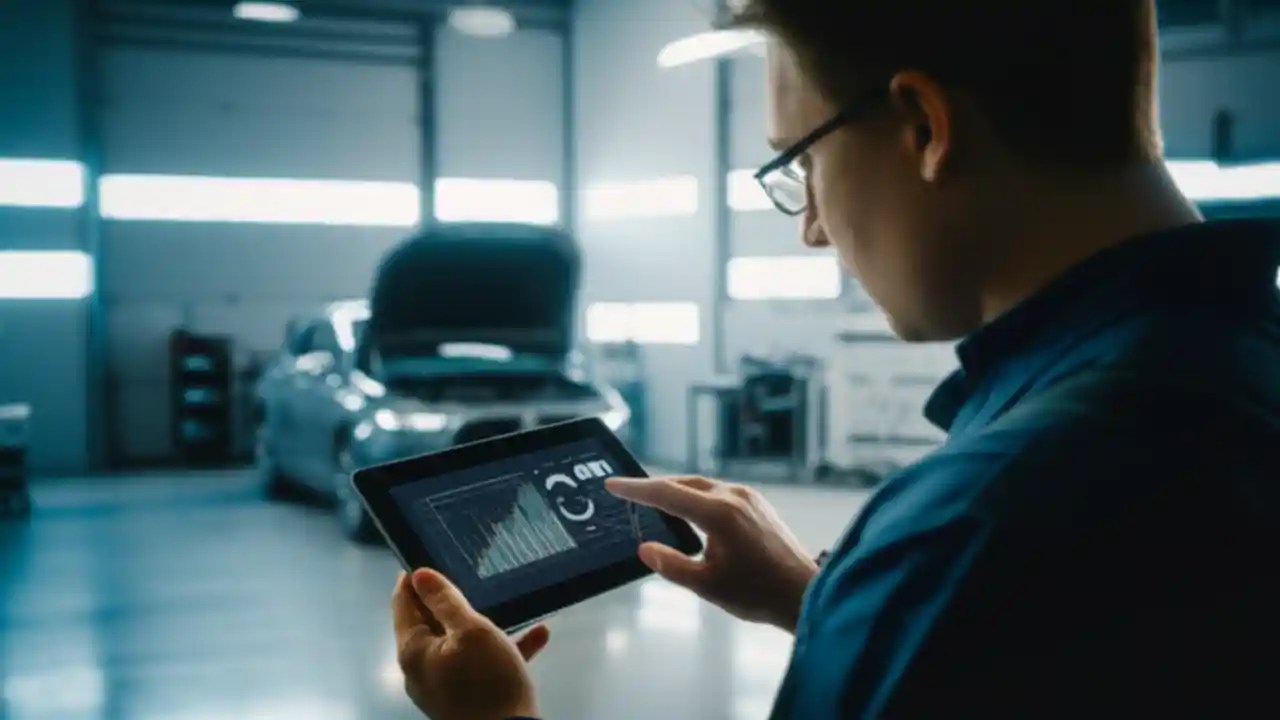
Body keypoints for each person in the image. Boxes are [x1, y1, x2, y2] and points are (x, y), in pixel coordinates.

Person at [390, 0, 1280, 717]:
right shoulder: (1226, 375)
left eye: (801, 161)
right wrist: (820, 602)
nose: (813, 228)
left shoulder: (978, 524)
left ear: (925, 126)